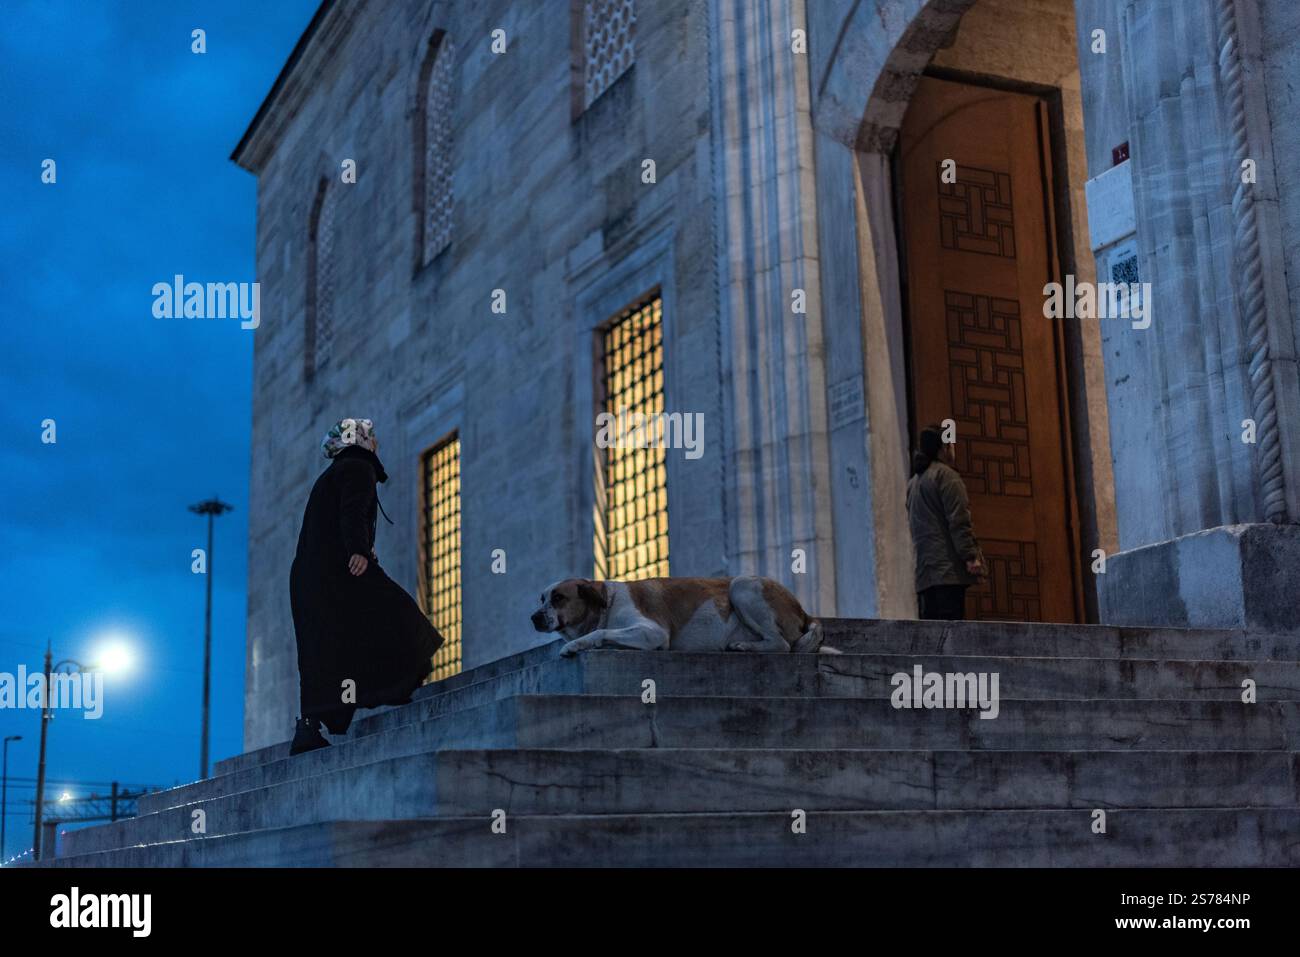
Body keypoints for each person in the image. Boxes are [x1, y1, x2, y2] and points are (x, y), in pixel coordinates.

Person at [288, 417, 443, 755]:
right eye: (374, 439)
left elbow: (332, 521)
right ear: (363, 441)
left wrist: (358, 547)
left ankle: (308, 726)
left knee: (328, 646)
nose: (377, 445)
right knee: (401, 616)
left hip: (311, 577)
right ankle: (395, 687)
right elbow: (352, 510)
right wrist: (358, 549)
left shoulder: (333, 473)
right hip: (339, 570)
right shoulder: (358, 467)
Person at [905, 424, 986, 621]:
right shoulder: (947, 477)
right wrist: (970, 555)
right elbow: (959, 520)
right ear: (943, 448)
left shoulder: (914, 483)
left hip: (924, 573)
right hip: (947, 571)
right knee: (951, 628)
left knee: (932, 631)